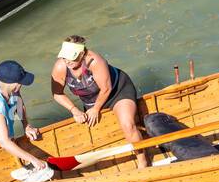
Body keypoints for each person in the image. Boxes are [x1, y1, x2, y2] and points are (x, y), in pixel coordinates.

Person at [51, 35, 148, 170]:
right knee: (93, 131)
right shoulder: (61, 67)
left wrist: (96, 109)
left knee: (127, 125)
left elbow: (106, 88)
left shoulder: (95, 61)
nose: (67, 61)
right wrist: (74, 110)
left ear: (82, 53)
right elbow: (57, 94)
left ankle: (143, 161)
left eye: (71, 57)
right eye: (64, 57)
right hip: (90, 100)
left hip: (116, 92)